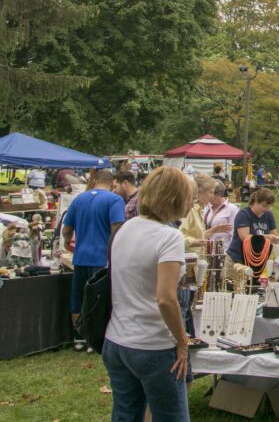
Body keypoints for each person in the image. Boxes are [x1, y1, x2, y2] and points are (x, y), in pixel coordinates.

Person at [102, 167, 193, 421]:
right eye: (188, 197)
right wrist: (182, 342)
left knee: (125, 414)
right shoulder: (169, 237)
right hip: (153, 345)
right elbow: (165, 298)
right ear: (175, 198)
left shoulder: (125, 228)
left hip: (117, 340)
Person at [62, 169, 125, 352]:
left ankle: (78, 337)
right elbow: (117, 228)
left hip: (80, 257)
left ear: (94, 181)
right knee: (99, 299)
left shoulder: (79, 199)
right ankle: (94, 338)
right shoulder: (114, 200)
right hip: (101, 258)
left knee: (78, 297)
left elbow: (67, 230)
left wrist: (68, 242)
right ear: (112, 183)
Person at [226, 188, 279, 271]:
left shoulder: (268, 215)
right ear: (256, 201)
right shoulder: (244, 214)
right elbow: (245, 237)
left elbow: (274, 235)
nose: (266, 208)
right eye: (264, 205)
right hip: (237, 260)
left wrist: (276, 239)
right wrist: (266, 237)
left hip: (257, 262)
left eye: (269, 206)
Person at [180, 174, 229, 252]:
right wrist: (197, 242)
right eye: (210, 192)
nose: (212, 196)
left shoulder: (199, 210)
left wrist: (212, 231)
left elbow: (198, 236)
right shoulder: (189, 210)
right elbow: (179, 237)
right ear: (199, 192)